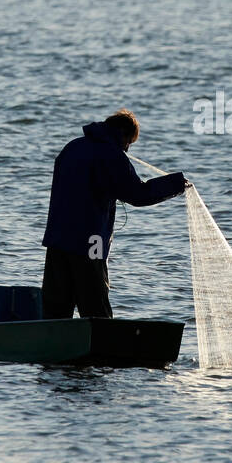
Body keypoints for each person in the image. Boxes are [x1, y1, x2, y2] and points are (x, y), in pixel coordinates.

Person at [41, 110, 186, 319]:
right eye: (129, 142)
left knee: (55, 308)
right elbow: (138, 194)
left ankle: (53, 347)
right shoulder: (111, 155)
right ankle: (105, 348)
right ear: (122, 134)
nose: (127, 148)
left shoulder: (72, 147)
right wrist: (175, 184)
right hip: (91, 241)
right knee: (95, 303)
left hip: (57, 239)